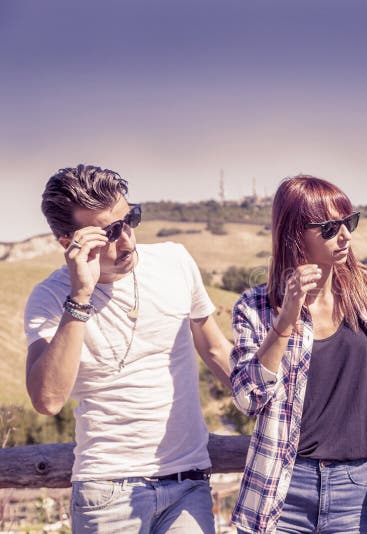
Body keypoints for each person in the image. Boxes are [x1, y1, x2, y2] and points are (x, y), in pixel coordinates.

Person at [24, 165, 232, 533]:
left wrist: (282, 408)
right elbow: (48, 399)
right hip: (106, 491)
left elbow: (216, 351)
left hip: (189, 484)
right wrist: (81, 296)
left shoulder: (176, 261)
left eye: (129, 219)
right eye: (108, 233)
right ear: (67, 242)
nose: (128, 241)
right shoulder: (49, 297)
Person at [229, 175, 367, 534]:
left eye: (348, 222)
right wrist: (285, 320)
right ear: (295, 234)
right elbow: (248, 398)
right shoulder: (256, 306)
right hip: (284, 487)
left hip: (356, 488)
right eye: (329, 228)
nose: (345, 236)